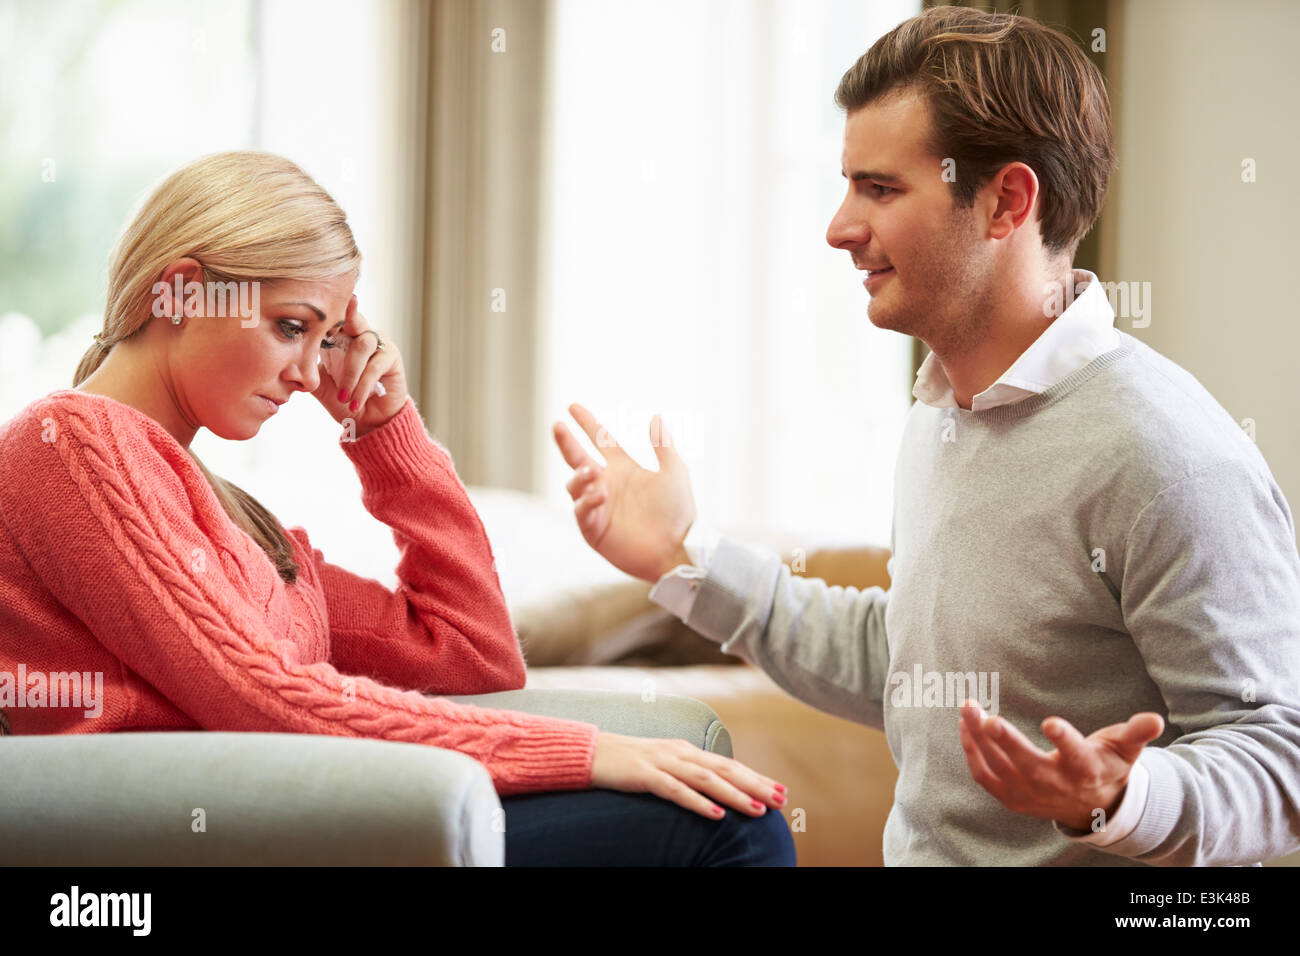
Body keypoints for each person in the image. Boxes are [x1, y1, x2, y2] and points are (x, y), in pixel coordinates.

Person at [552, 5, 1300, 866]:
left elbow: (1278, 756)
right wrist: (687, 554)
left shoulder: (1168, 457)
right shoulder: (944, 409)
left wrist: (1122, 798)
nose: (839, 226)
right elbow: (916, 665)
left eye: (879, 188)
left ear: (1006, 202)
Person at [0, 149, 795, 867]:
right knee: (727, 829)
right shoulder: (65, 442)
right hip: (213, 835)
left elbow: (475, 657)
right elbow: (257, 693)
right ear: (176, 290)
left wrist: (383, 431)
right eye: (289, 328)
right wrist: (582, 752)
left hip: (307, 814)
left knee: (730, 816)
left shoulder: (236, 519)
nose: (312, 374)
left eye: (328, 342)